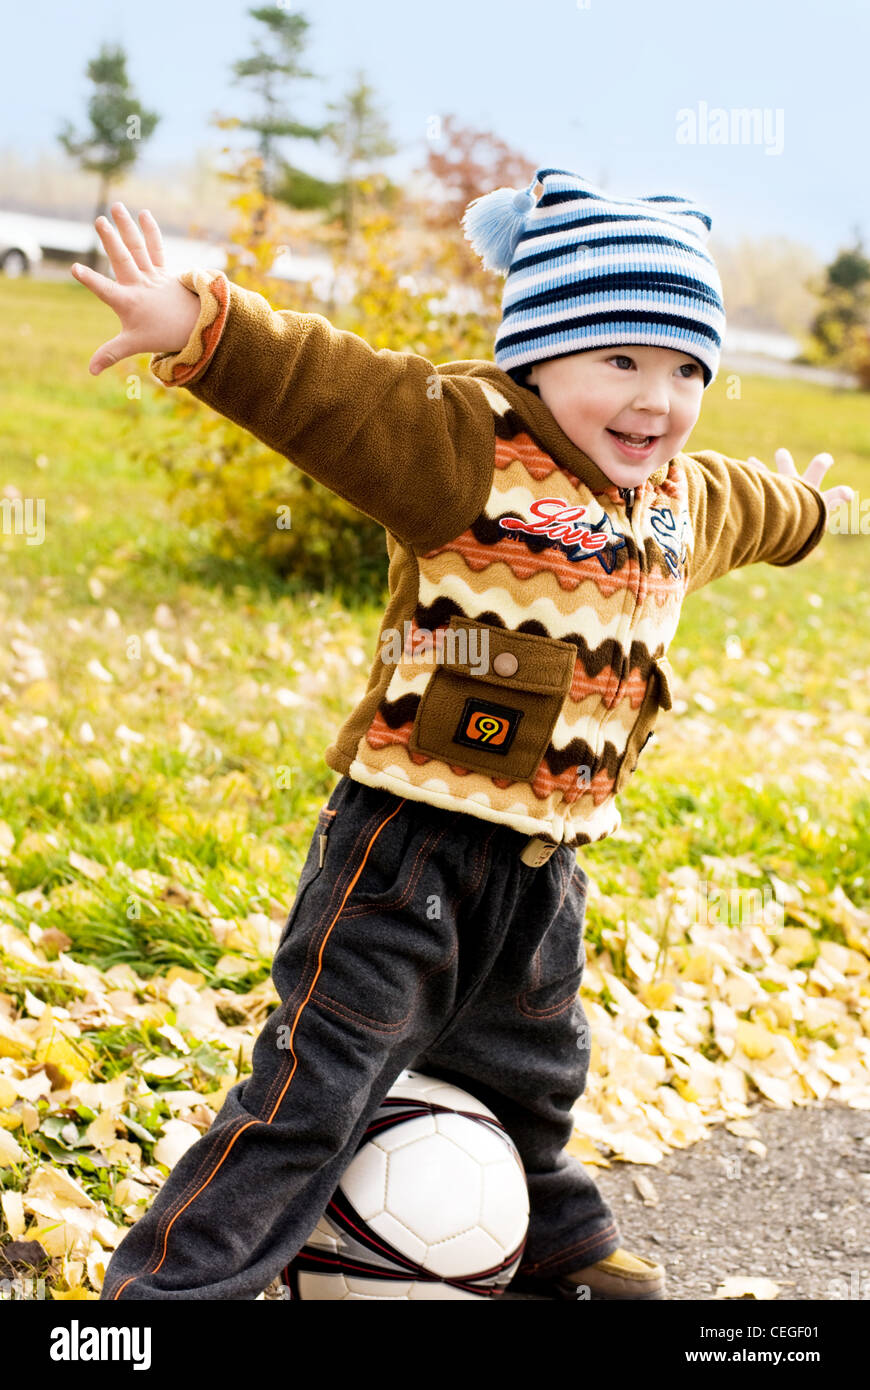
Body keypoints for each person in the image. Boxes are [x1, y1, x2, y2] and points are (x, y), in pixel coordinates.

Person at [71, 166, 853, 1302]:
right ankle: (171, 1293)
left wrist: (816, 511)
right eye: (621, 359)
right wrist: (204, 326)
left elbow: (762, 504)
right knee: (314, 1091)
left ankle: (557, 1245)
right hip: (403, 855)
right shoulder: (462, 447)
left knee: (535, 1077)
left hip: (546, 871)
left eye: (687, 367)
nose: (658, 397)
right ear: (540, 351)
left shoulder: (684, 498)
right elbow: (324, 387)